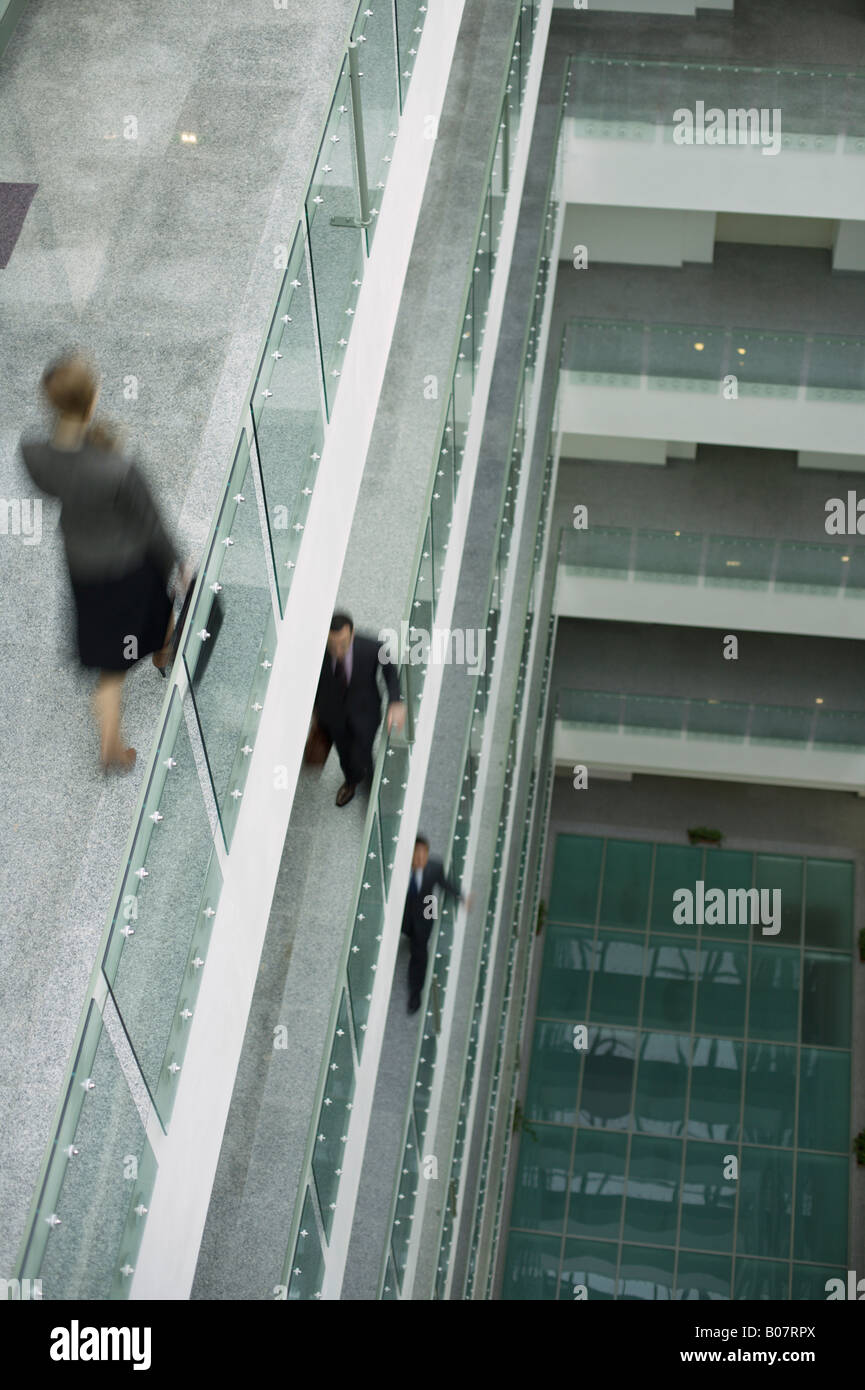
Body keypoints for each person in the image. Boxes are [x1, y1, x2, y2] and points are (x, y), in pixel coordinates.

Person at [19, 352, 190, 771]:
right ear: (91, 400)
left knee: (110, 665)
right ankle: (164, 653)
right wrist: (181, 564)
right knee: (162, 601)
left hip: (84, 569)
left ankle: (112, 748)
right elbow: (150, 523)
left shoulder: (34, 453)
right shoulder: (117, 467)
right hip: (130, 564)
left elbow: (55, 478)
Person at [314, 611, 406, 806]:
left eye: (343, 644)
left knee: (362, 752)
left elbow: (390, 671)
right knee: (344, 754)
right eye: (333, 645)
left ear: (352, 633)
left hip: (366, 713)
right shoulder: (316, 653)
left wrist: (395, 701)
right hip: (334, 716)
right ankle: (351, 782)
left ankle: (370, 781)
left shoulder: (372, 648)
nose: (338, 651)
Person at [402, 835, 473, 1014]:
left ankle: (415, 993)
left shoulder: (435, 867)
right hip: (404, 910)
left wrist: (462, 897)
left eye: (423, 854)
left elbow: (446, 884)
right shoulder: (400, 867)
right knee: (407, 932)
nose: (420, 859)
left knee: (419, 952)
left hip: (426, 908)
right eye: (416, 854)